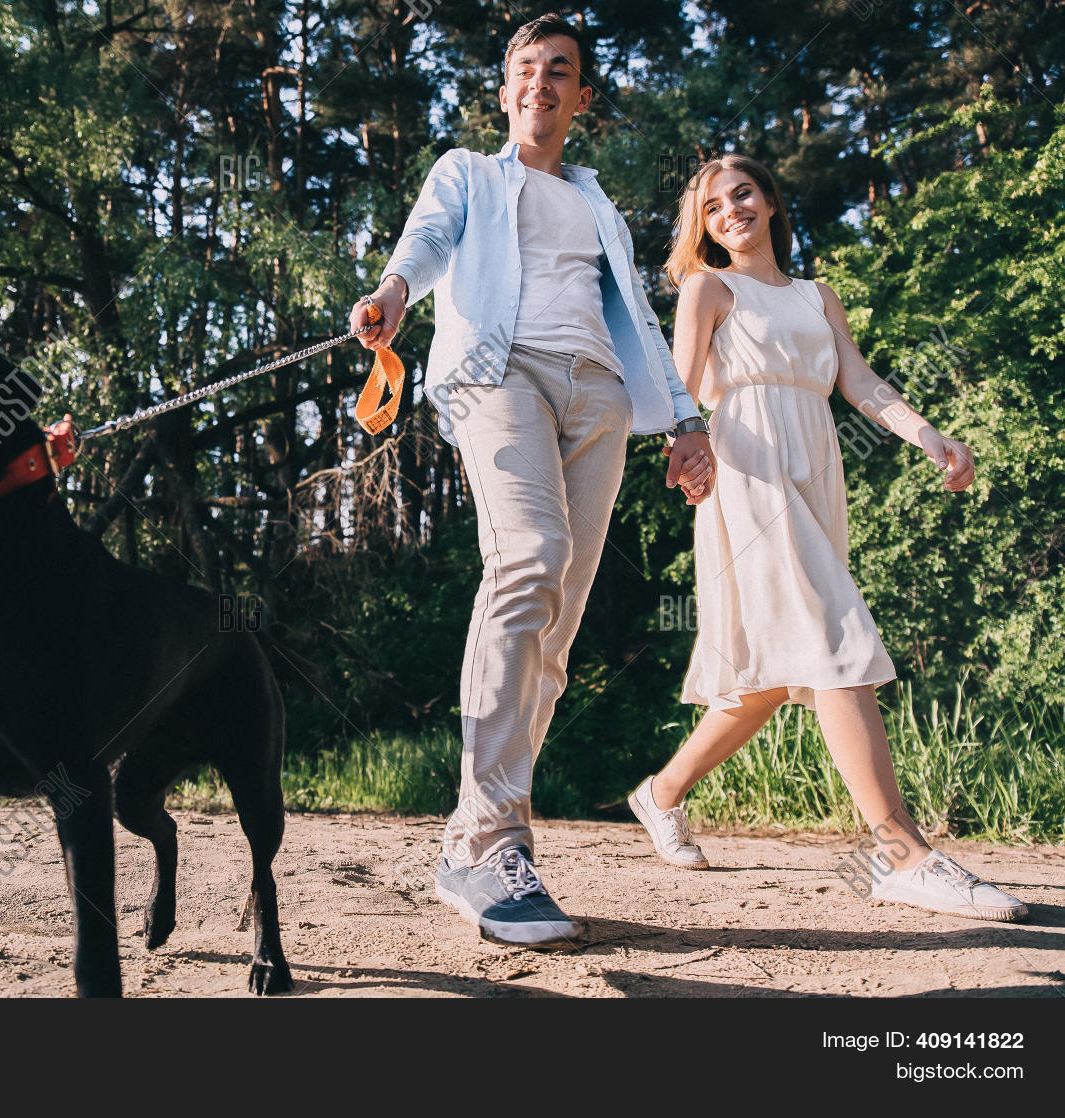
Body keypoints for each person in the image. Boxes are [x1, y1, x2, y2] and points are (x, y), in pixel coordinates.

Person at [350, 12, 717, 948]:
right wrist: (394, 292)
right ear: (505, 88)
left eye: (561, 71)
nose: (541, 83)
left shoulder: (599, 205)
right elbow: (429, 240)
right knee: (530, 557)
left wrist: (681, 419)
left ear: (581, 98)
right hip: (496, 374)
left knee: (555, 622)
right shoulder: (469, 173)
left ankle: (482, 836)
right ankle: (487, 839)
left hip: (596, 395)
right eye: (526, 69)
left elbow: (635, 315)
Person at [626, 153, 1028, 922]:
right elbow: (678, 383)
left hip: (815, 465)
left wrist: (928, 435)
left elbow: (862, 383)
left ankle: (662, 792)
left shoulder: (817, 296)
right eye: (713, 208)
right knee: (833, 634)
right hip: (746, 469)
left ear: (771, 202)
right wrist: (685, 444)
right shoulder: (708, 288)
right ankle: (900, 853)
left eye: (742, 194)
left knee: (776, 675)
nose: (730, 211)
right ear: (704, 228)